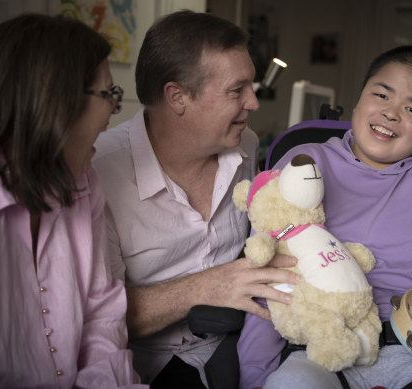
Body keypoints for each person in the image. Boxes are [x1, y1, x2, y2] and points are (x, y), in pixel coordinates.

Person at [237, 45, 412, 389]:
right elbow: (269, 275)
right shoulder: (305, 163)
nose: (391, 113)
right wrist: (254, 377)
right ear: (359, 98)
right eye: (381, 95)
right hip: (323, 348)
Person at [91, 10, 300, 388]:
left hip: (239, 344)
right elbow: (94, 318)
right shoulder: (98, 172)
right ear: (178, 97)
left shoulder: (245, 145)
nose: (253, 102)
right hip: (147, 366)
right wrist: (205, 287)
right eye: (237, 90)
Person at [0, 13, 143, 388]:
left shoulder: (82, 181)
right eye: (108, 94)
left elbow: (100, 316)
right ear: (55, 99)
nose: (113, 112)